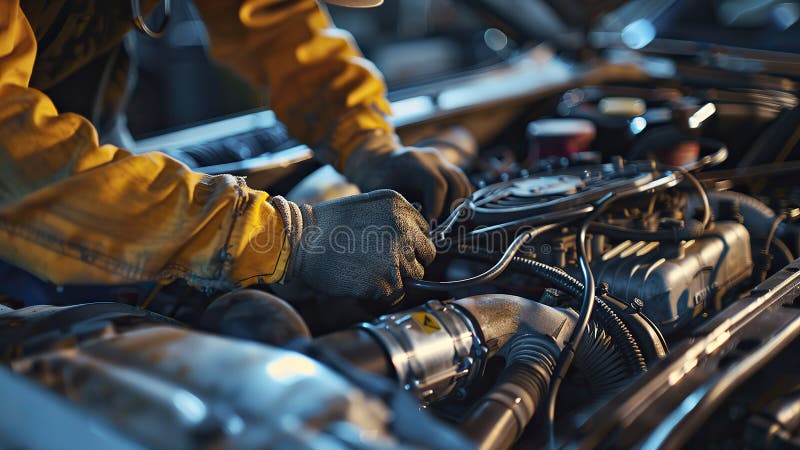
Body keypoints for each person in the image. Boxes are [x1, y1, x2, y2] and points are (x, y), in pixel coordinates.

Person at [0, 0, 471, 304]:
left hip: (87, 153)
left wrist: (367, 142)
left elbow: (276, 23)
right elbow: (14, 156)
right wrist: (281, 235)